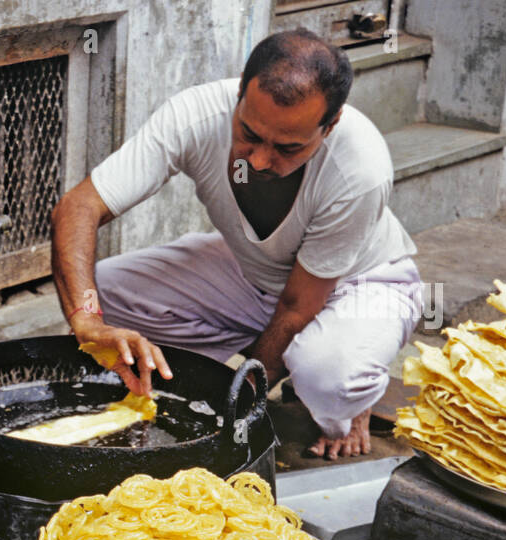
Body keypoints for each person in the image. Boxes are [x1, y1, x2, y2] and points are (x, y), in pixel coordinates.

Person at [51, 28, 424, 458]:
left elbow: (298, 307)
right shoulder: (194, 114)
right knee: (103, 290)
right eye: (249, 132)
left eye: (288, 148)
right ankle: (282, 357)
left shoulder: (360, 167)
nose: (260, 160)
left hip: (359, 285)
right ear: (242, 87)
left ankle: (352, 397)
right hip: (254, 272)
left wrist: (230, 411)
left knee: (329, 377)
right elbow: (77, 207)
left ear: (331, 124)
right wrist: (87, 319)